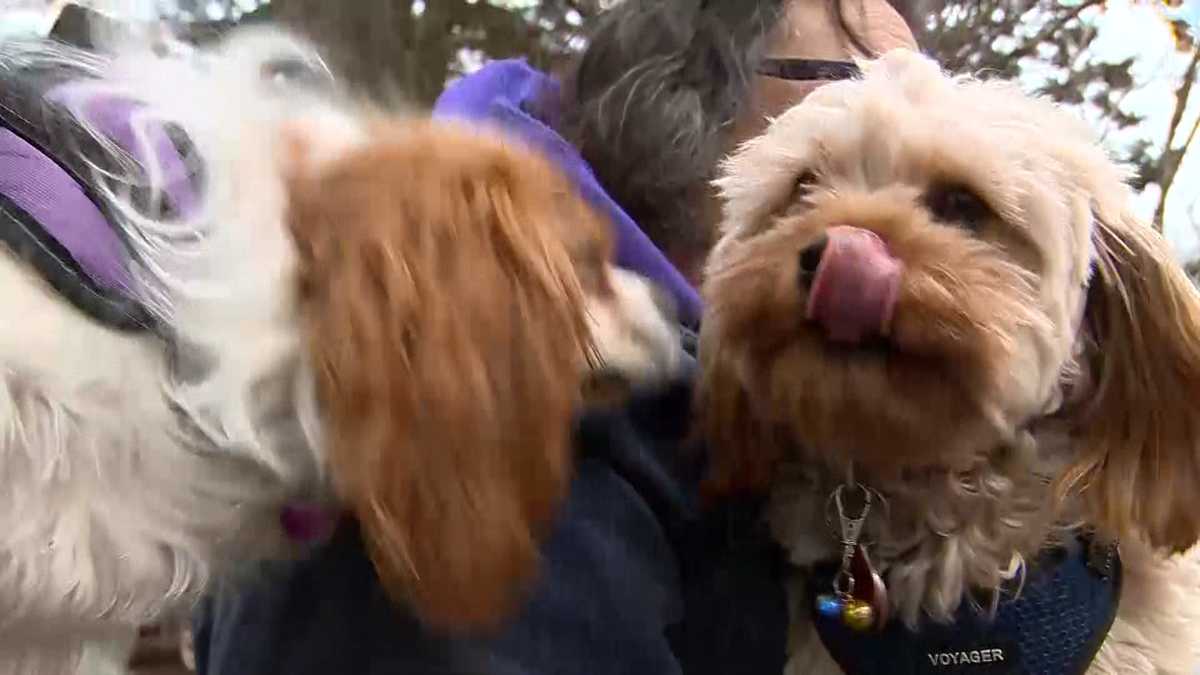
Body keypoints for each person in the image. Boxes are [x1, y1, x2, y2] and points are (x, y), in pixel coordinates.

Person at [193, 1, 919, 673]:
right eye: (869, 82)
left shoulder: (702, 408)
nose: (924, 117)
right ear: (696, 90)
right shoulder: (498, 373)